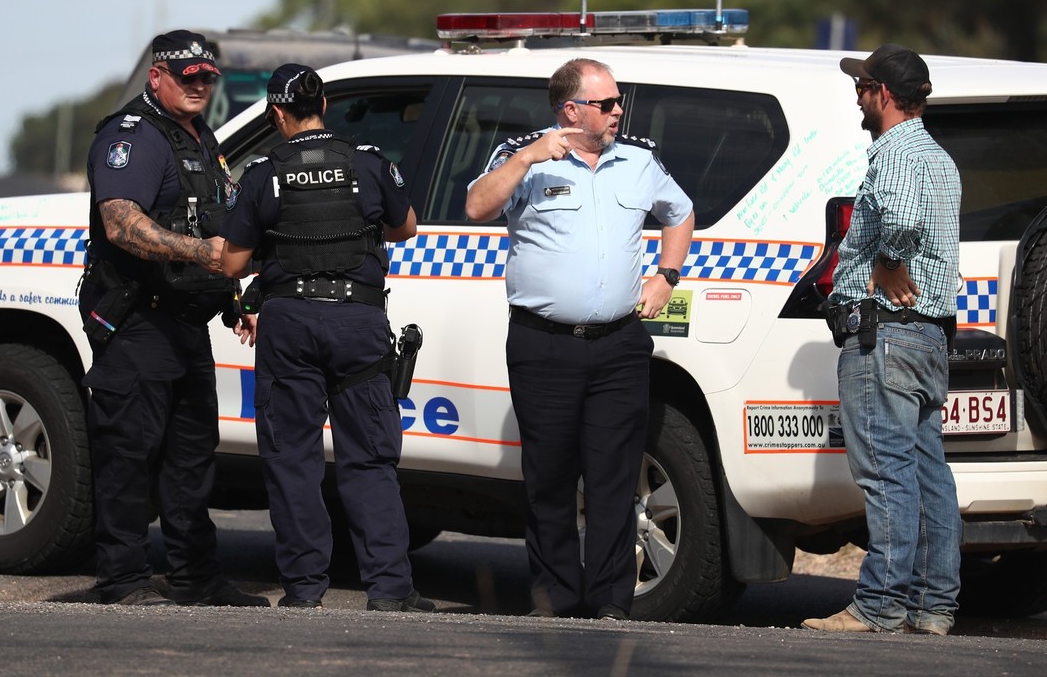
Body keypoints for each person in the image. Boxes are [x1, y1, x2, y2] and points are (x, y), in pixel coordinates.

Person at [465, 58, 695, 620]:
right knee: (549, 478)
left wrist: (666, 276)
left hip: (618, 345)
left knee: (615, 477)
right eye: (608, 103)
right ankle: (556, 598)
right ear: (572, 110)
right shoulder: (527, 158)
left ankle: (611, 600)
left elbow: (681, 212)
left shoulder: (638, 160)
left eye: (619, 103)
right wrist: (526, 159)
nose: (619, 112)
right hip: (544, 344)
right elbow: (475, 206)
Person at [220, 64, 432, 612]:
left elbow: (231, 264)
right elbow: (406, 225)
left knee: (293, 458)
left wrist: (273, 252)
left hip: (290, 324)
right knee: (369, 459)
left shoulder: (265, 173)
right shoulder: (367, 162)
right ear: (325, 107)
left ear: (277, 113)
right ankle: (389, 589)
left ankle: (304, 589)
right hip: (357, 322)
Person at [79, 30, 268, 607]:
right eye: (188, 77)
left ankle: (194, 576)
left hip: (185, 325)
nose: (200, 86)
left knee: (191, 458)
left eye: (208, 77)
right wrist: (200, 253)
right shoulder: (132, 136)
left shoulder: (199, 135)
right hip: (139, 322)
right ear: (156, 75)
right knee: (128, 457)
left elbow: (214, 219)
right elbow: (120, 223)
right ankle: (124, 579)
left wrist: (232, 293)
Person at [803, 44, 962, 635]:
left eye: (863, 87)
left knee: (886, 472)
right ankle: (933, 605)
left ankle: (879, 605)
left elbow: (900, 217)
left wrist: (890, 261)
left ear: (885, 96)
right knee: (928, 473)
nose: (858, 96)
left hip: (885, 334)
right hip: (927, 337)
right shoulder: (940, 157)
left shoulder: (894, 151)